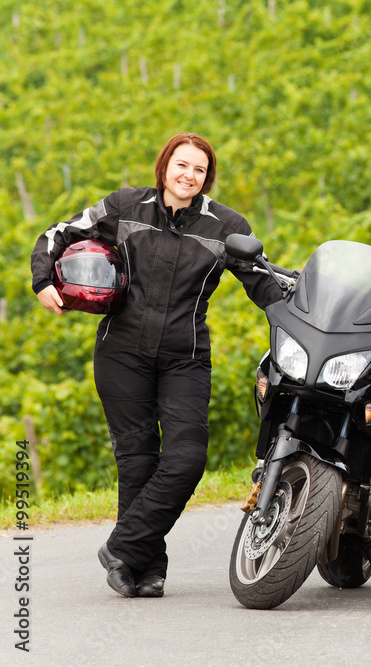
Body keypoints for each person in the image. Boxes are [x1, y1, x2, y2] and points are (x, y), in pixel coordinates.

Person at [31, 133, 283, 598]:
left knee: (188, 458)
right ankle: (144, 569)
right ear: (165, 166)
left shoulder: (226, 225)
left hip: (185, 357)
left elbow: (265, 283)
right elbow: (58, 233)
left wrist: (304, 314)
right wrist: (42, 278)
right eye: (181, 165)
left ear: (208, 178)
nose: (189, 175)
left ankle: (123, 547)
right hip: (121, 352)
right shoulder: (126, 206)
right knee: (137, 460)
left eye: (199, 170)